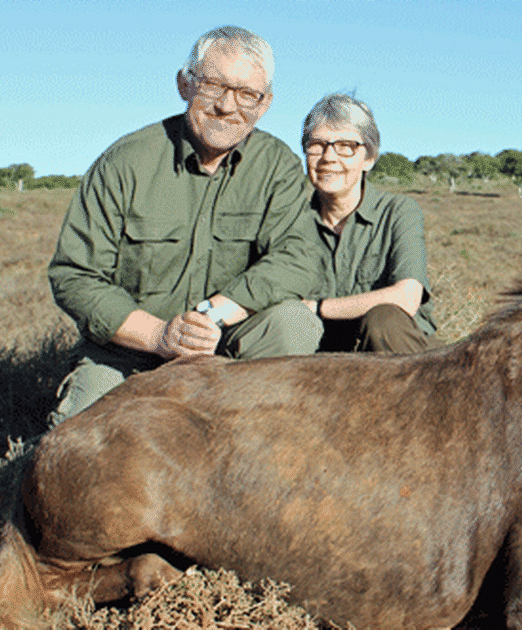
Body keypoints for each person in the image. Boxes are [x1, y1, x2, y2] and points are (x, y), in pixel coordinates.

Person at [47, 26, 322, 424]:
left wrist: (211, 316)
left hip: (227, 350)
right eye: (213, 86)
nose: (227, 106)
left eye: (247, 94)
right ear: (184, 84)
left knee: (294, 323)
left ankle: (255, 433)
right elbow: (74, 275)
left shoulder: (277, 166)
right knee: (79, 440)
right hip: (131, 354)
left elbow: (298, 258)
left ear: (265, 104)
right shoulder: (125, 162)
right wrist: (160, 336)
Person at [300, 93, 438, 353]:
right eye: (317, 145)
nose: (328, 157)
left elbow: (406, 297)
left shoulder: (398, 212)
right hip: (323, 361)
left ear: (369, 159)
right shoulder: (290, 220)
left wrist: (317, 308)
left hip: (400, 357)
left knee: (385, 320)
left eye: (346, 146)